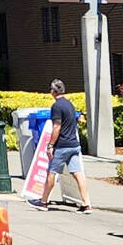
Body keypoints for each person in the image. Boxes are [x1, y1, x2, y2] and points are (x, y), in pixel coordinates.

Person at [34, 79, 91, 213]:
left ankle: (44, 202)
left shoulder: (57, 106)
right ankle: (86, 203)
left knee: (52, 173)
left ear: (53, 92)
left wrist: (50, 145)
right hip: (74, 144)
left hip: (62, 145)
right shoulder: (69, 104)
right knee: (78, 174)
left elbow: (56, 127)